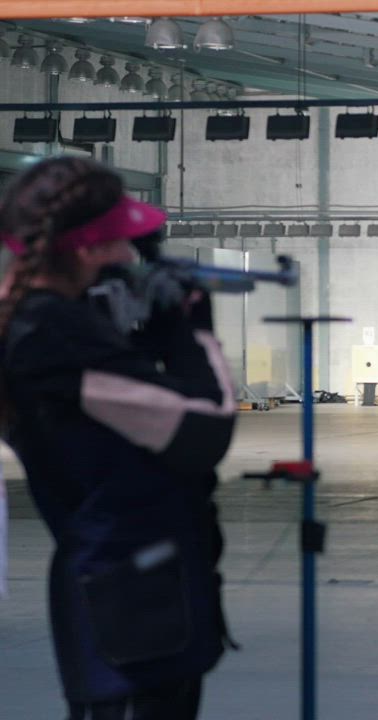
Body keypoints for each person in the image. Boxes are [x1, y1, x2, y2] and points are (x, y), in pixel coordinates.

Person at [0, 157, 237, 719]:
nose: (130, 256)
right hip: (132, 602)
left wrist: (141, 334)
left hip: (129, 586)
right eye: (120, 244)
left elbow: (118, 419)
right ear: (86, 251)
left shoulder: (42, 324)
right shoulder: (55, 339)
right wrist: (192, 329)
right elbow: (206, 427)